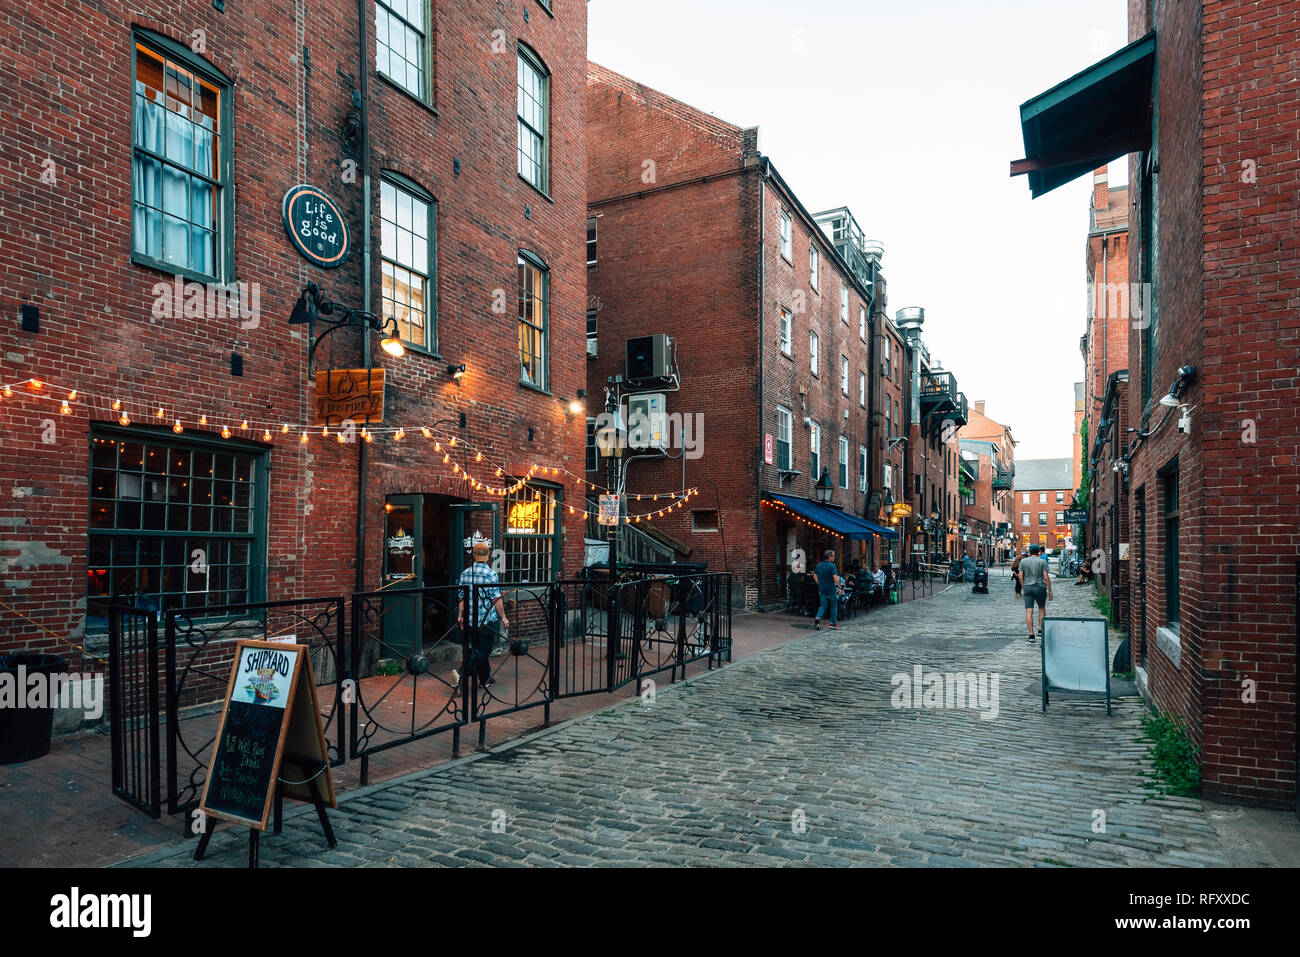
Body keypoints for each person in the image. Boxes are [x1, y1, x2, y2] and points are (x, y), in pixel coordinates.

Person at [457, 540, 510, 688]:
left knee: (474, 648)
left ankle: (485, 679)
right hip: (486, 620)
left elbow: (461, 596)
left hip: (469, 619)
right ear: (488, 557)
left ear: (474, 556)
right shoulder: (491, 574)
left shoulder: (465, 573)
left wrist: (460, 616)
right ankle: (462, 673)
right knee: (485, 650)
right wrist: (504, 617)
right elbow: (496, 599)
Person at [1019, 543, 1053, 640]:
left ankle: (1031, 634)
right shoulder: (1042, 562)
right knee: (1041, 608)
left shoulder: (1023, 561)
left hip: (1028, 587)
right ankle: (1040, 629)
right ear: (1039, 552)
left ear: (1029, 551)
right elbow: (1046, 577)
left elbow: (1020, 576)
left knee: (1029, 611)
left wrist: (1024, 586)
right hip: (1040, 587)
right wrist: (1050, 591)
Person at [812, 548, 841, 630]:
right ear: (830, 557)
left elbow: (814, 575)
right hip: (831, 588)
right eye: (833, 556)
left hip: (822, 588)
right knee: (833, 605)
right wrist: (839, 587)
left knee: (823, 605)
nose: (834, 558)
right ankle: (832, 623)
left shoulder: (819, 565)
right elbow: (835, 577)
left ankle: (818, 617)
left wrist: (819, 583)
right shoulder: (832, 566)